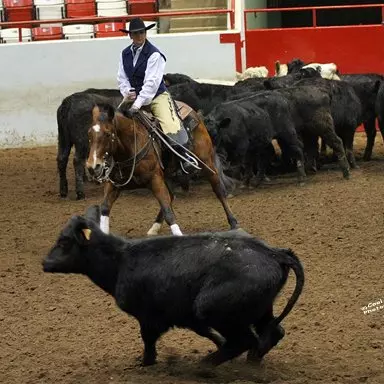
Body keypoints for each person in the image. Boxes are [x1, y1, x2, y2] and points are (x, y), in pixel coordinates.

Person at [117, 17, 199, 174]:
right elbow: (122, 78)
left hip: (155, 97)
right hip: (134, 98)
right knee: (113, 123)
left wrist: (137, 104)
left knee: (170, 124)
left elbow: (152, 83)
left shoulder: (154, 54)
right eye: (135, 33)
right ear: (130, 35)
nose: (139, 36)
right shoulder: (125, 54)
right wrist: (127, 92)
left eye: (142, 32)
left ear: (145, 33)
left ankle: (185, 157)